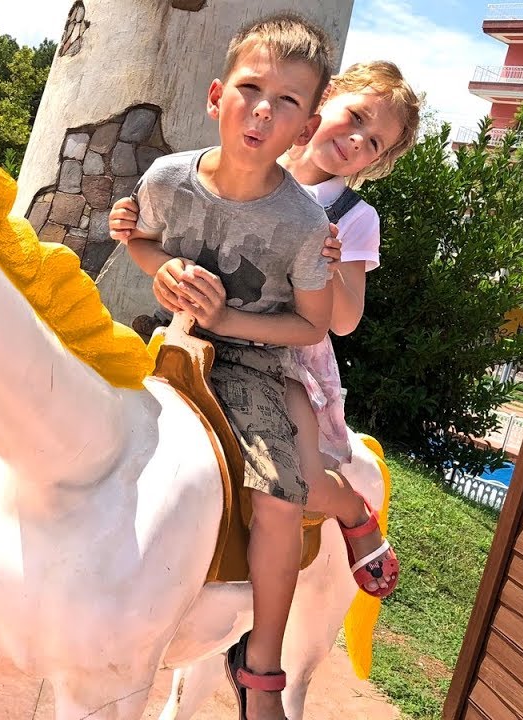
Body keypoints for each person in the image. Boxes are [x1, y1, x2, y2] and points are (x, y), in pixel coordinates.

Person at [110, 61, 420, 601]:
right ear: (323, 101)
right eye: (354, 118)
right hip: (195, 330)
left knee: (294, 481)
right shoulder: (247, 156)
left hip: (279, 350)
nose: (355, 141)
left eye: (373, 143)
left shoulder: (352, 214)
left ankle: (351, 508)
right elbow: (168, 226)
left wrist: (327, 261)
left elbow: (342, 321)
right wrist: (131, 228)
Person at [117, 14, 336, 719]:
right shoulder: (166, 177)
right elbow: (144, 245)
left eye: (289, 101)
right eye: (251, 88)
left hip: (250, 366)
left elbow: (313, 323)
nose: (264, 109)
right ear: (217, 96)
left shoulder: (303, 224)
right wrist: (165, 269)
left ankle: (263, 670)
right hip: (162, 335)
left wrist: (227, 320)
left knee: (278, 497)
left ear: (303, 130)